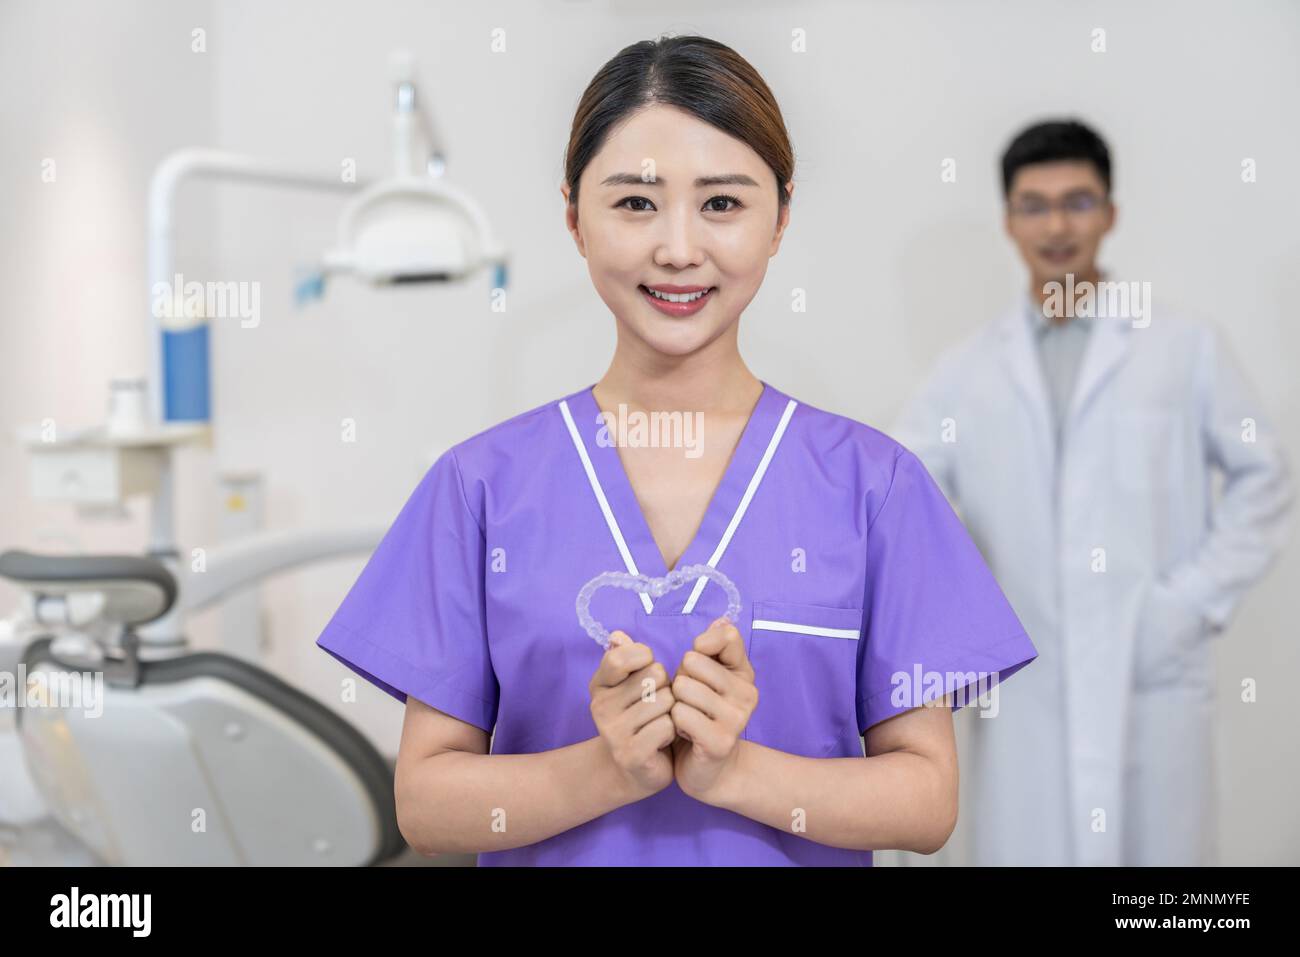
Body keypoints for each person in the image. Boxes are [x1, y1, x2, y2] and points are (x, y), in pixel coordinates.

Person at [316, 35, 1037, 866]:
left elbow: (926, 801)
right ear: (574, 219)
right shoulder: (477, 489)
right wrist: (606, 770)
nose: (679, 248)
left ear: (781, 219)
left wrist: (735, 773)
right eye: (635, 203)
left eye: (723, 203)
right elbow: (426, 804)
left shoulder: (874, 488)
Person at [892, 119, 1294, 866]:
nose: (1056, 225)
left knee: (1164, 899)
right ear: (1009, 219)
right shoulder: (967, 370)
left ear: (1110, 212)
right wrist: (967, 613)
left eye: (1077, 201)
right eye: (1034, 204)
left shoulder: (1183, 345)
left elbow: (1264, 476)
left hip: (1152, 671)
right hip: (1027, 688)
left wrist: (1186, 602)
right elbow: (904, 501)